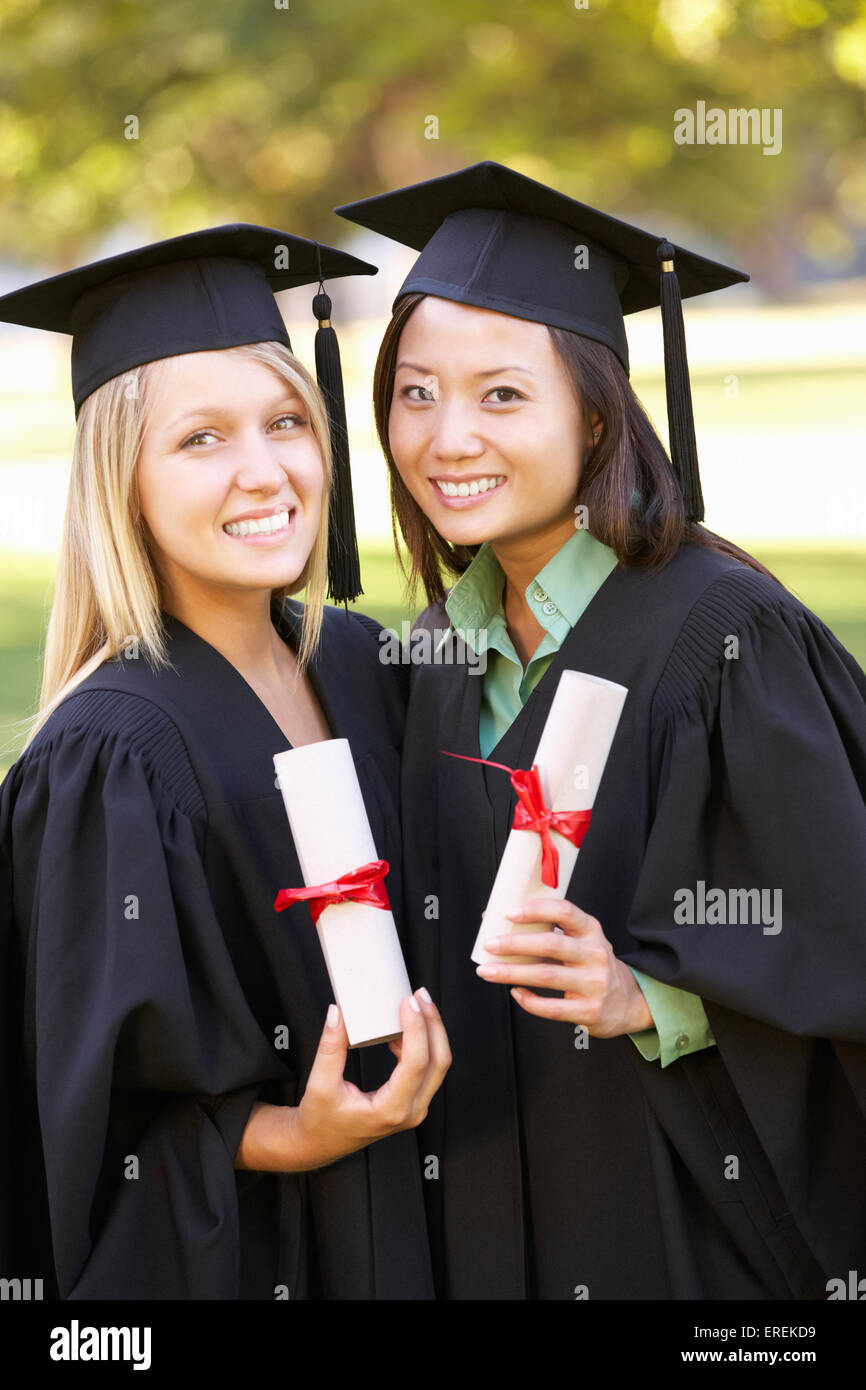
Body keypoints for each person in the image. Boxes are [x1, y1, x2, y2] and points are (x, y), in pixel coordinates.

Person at [336, 162, 866, 1299]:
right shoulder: (432, 655)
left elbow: (843, 935)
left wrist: (651, 998)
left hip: (683, 1231)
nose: (444, 437)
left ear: (594, 409)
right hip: (477, 1215)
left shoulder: (726, 642)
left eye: (500, 395)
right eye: (415, 392)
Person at [0, 224, 450, 1300]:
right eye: (200, 439)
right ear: (124, 483)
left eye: (286, 421)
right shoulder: (109, 754)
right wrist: (298, 1132)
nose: (265, 469)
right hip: (261, 1260)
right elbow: (80, 1121)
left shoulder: (366, 664)